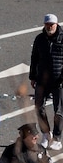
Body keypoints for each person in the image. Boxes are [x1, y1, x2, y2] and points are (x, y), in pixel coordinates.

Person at [29, 13, 63, 149]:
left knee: (59, 111)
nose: (49, 27)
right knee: (39, 107)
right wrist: (32, 76)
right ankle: (46, 134)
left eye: (51, 25)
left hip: (59, 81)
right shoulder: (39, 39)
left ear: (56, 24)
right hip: (42, 80)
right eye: (47, 25)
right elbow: (34, 58)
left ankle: (57, 137)